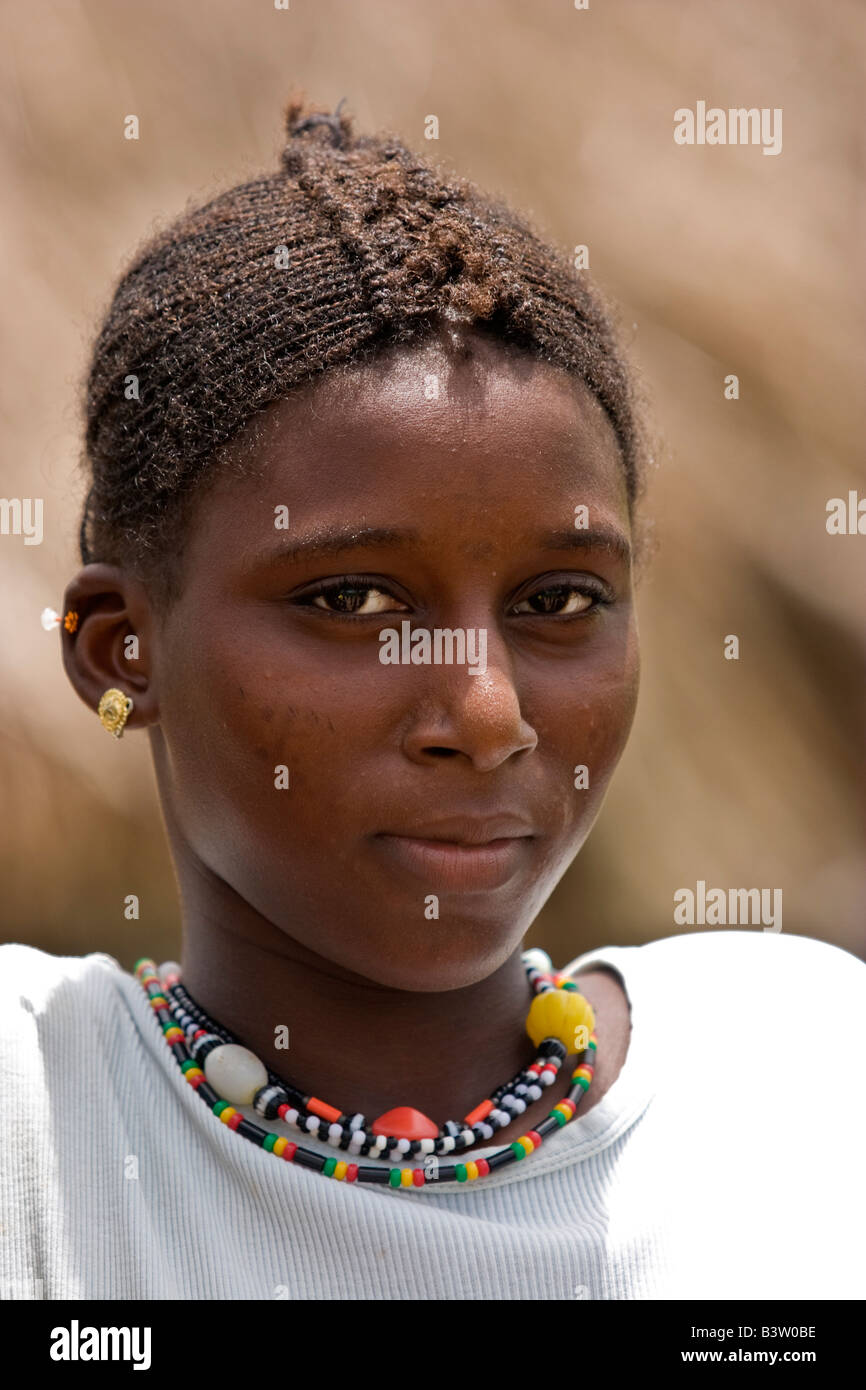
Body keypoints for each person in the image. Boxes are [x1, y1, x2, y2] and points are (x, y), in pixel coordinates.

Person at [2, 96, 863, 1301]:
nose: (486, 710)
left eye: (558, 602)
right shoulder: (42, 1121)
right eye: (351, 599)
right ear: (119, 653)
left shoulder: (804, 1075)